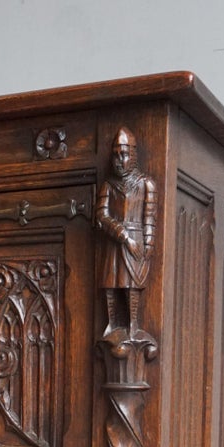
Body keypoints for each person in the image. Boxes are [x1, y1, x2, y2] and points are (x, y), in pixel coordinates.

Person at [96, 128, 156, 336]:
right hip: (116, 239)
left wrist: (148, 244)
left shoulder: (145, 184)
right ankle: (111, 323)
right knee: (110, 281)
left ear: (133, 155)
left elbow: (149, 217)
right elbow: (101, 216)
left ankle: (132, 324)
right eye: (115, 154)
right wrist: (122, 235)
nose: (119, 160)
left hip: (136, 238)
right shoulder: (109, 185)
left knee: (132, 283)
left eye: (124, 154)